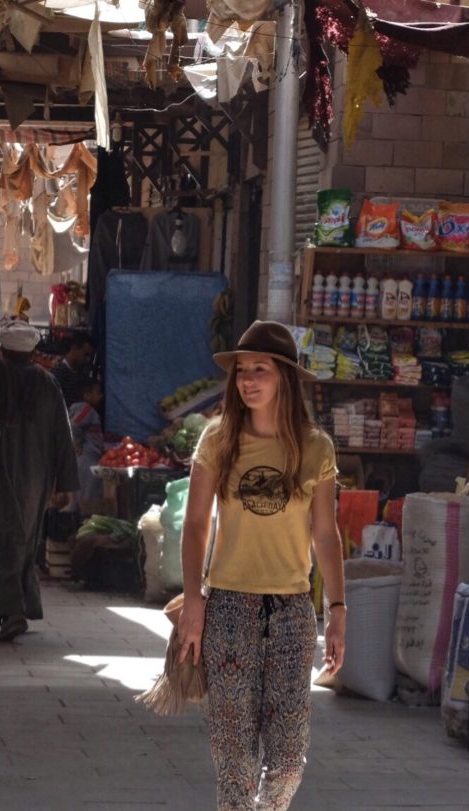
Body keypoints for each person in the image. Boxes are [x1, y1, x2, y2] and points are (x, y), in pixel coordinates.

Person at [177, 320, 346, 811]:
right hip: (227, 608)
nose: (247, 380)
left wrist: (337, 608)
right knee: (235, 763)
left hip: (293, 612)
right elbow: (195, 527)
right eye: (241, 371)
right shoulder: (218, 439)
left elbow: (325, 534)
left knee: (289, 760)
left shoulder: (316, 448)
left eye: (260, 370)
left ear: (285, 379)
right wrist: (193, 599)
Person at [0, 318, 77, 642]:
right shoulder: (47, 382)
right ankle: (17, 607)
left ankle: (10, 611)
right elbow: (62, 435)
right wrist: (64, 483)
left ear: (4, 349)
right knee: (23, 538)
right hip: (37, 477)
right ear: (33, 350)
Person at [68, 379, 105, 511]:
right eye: (98, 393)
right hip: (86, 458)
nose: (101, 396)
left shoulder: (86, 410)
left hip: (87, 457)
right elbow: (73, 426)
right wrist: (76, 443)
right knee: (87, 495)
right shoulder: (86, 409)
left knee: (83, 494)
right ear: (87, 395)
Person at [50, 332, 96, 407]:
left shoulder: (84, 372)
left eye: (90, 356)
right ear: (74, 348)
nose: (88, 359)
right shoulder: (58, 373)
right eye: (86, 354)